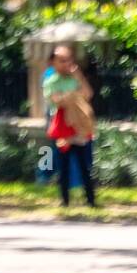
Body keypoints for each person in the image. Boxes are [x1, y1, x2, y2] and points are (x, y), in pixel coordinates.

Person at [44, 45, 96, 208]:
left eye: (69, 60)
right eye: (62, 60)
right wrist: (73, 97)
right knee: (63, 166)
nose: (66, 64)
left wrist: (78, 77)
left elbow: (87, 95)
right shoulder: (51, 81)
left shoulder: (75, 79)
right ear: (53, 62)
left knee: (84, 165)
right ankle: (65, 200)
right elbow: (56, 100)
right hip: (63, 128)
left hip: (79, 127)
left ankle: (91, 200)